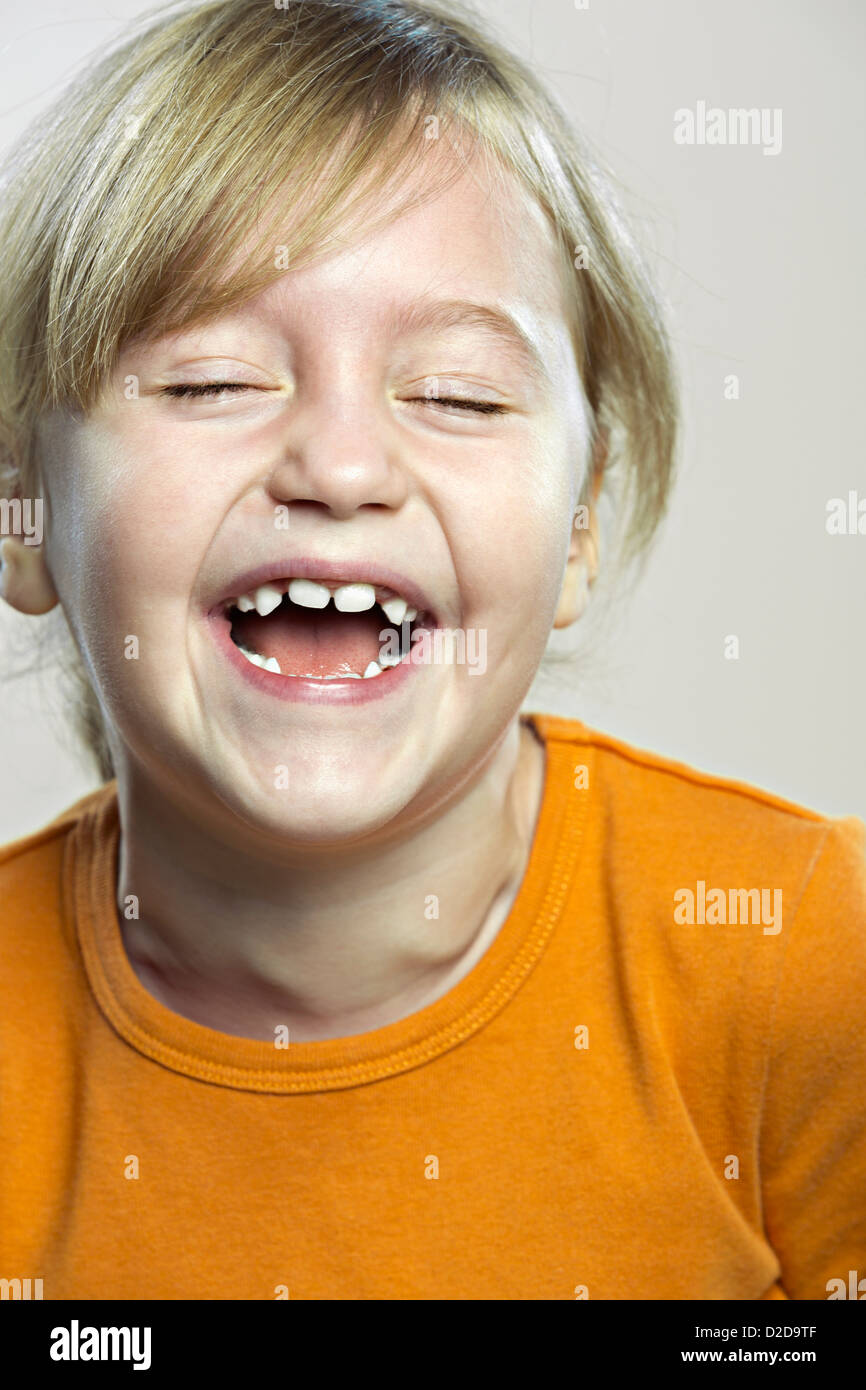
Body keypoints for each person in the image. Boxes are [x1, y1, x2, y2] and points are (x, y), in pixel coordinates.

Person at [0, 0, 862, 1300]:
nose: (341, 465)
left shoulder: (807, 958)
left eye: (455, 395)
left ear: (577, 528)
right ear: (25, 514)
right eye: (208, 383)